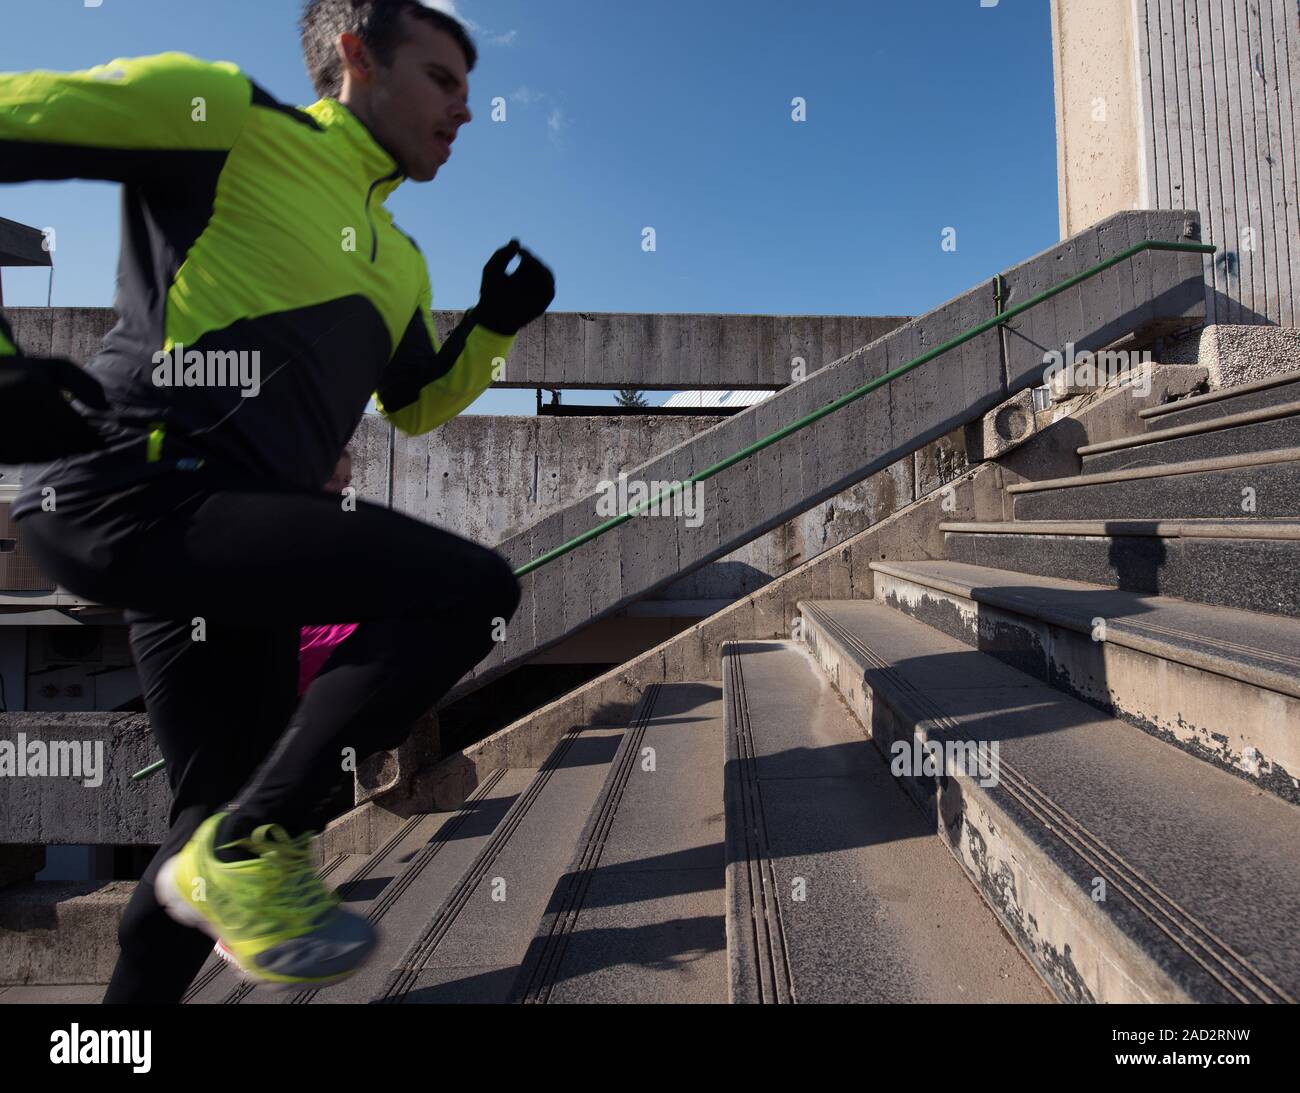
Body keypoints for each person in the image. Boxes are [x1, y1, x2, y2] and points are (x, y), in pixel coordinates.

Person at [0, 0, 555, 1003]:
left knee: (205, 815)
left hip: (230, 552)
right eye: (440, 79)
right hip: (122, 487)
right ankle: (260, 843)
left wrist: (491, 328)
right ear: (355, 58)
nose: (465, 111)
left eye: (470, 89)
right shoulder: (219, 113)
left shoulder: (400, 261)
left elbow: (418, 405)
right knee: (465, 590)